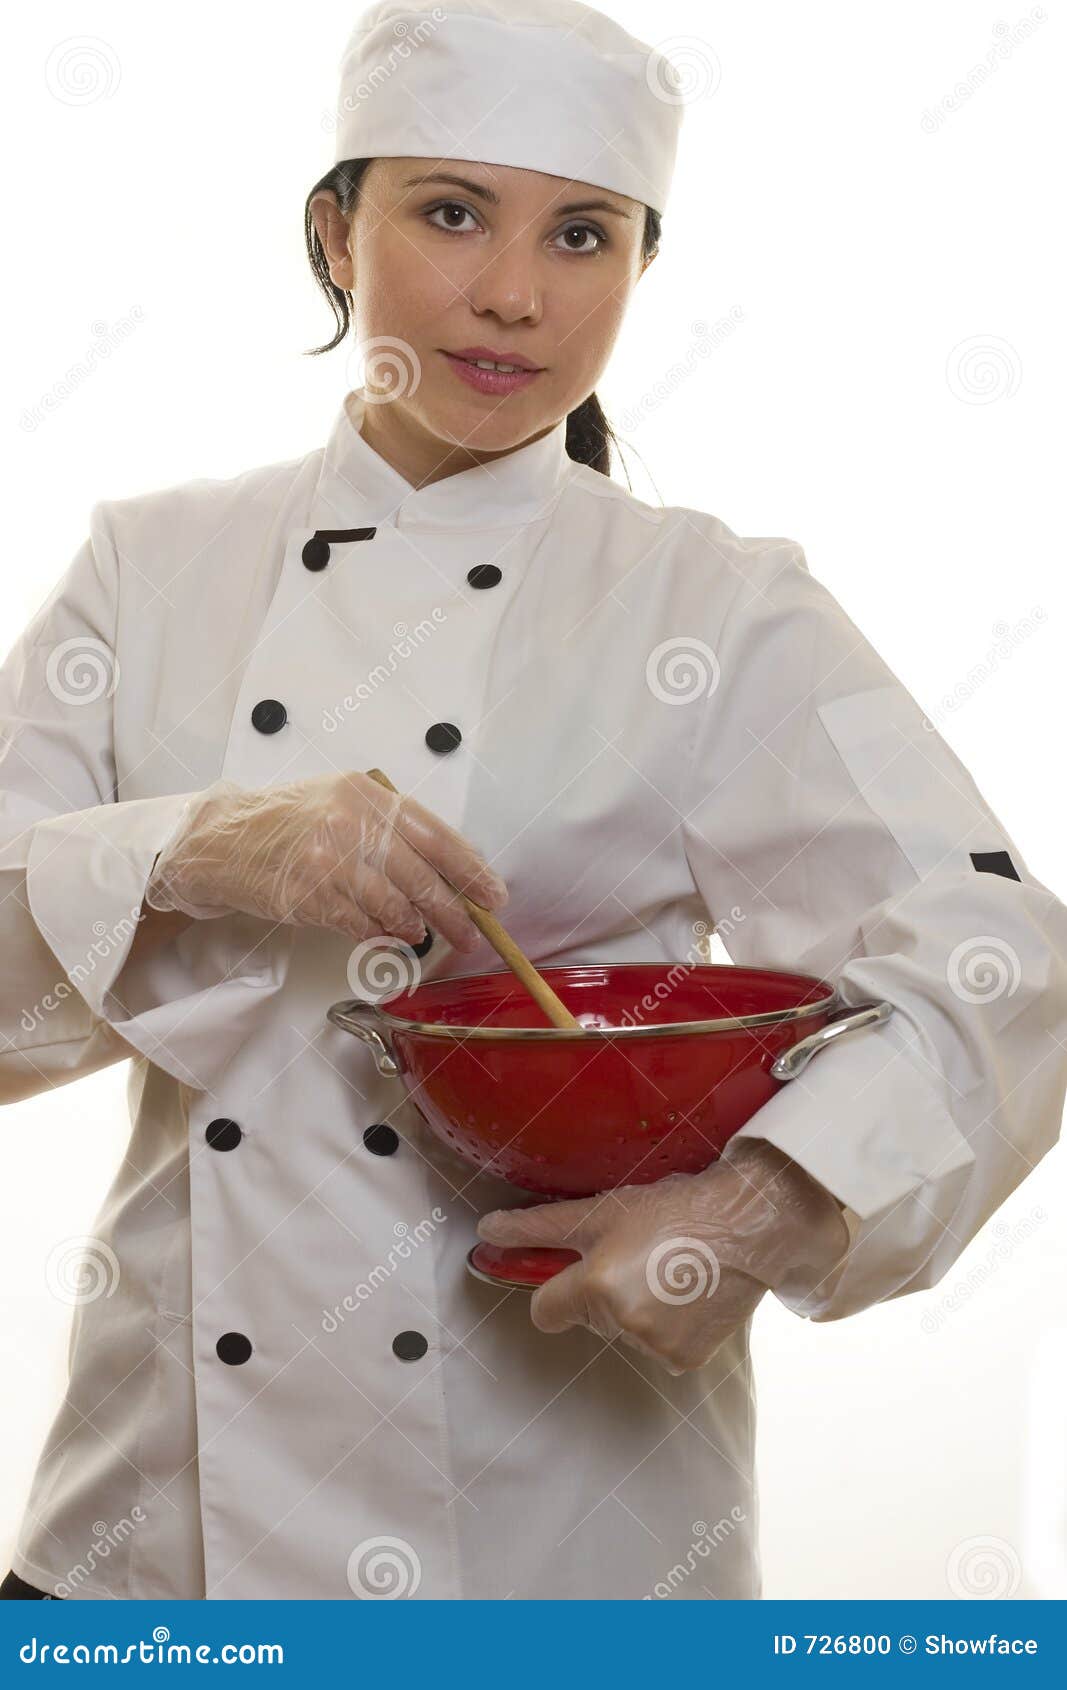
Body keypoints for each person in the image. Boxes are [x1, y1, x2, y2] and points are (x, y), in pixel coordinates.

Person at [1, 0, 1064, 1602]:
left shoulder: (712, 605)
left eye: (583, 234)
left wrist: (761, 1206)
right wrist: (189, 848)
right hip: (148, 1547)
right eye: (449, 213)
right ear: (334, 233)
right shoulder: (147, 565)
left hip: (552, 1553)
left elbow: (1001, 953)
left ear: (641, 265)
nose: (516, 293)